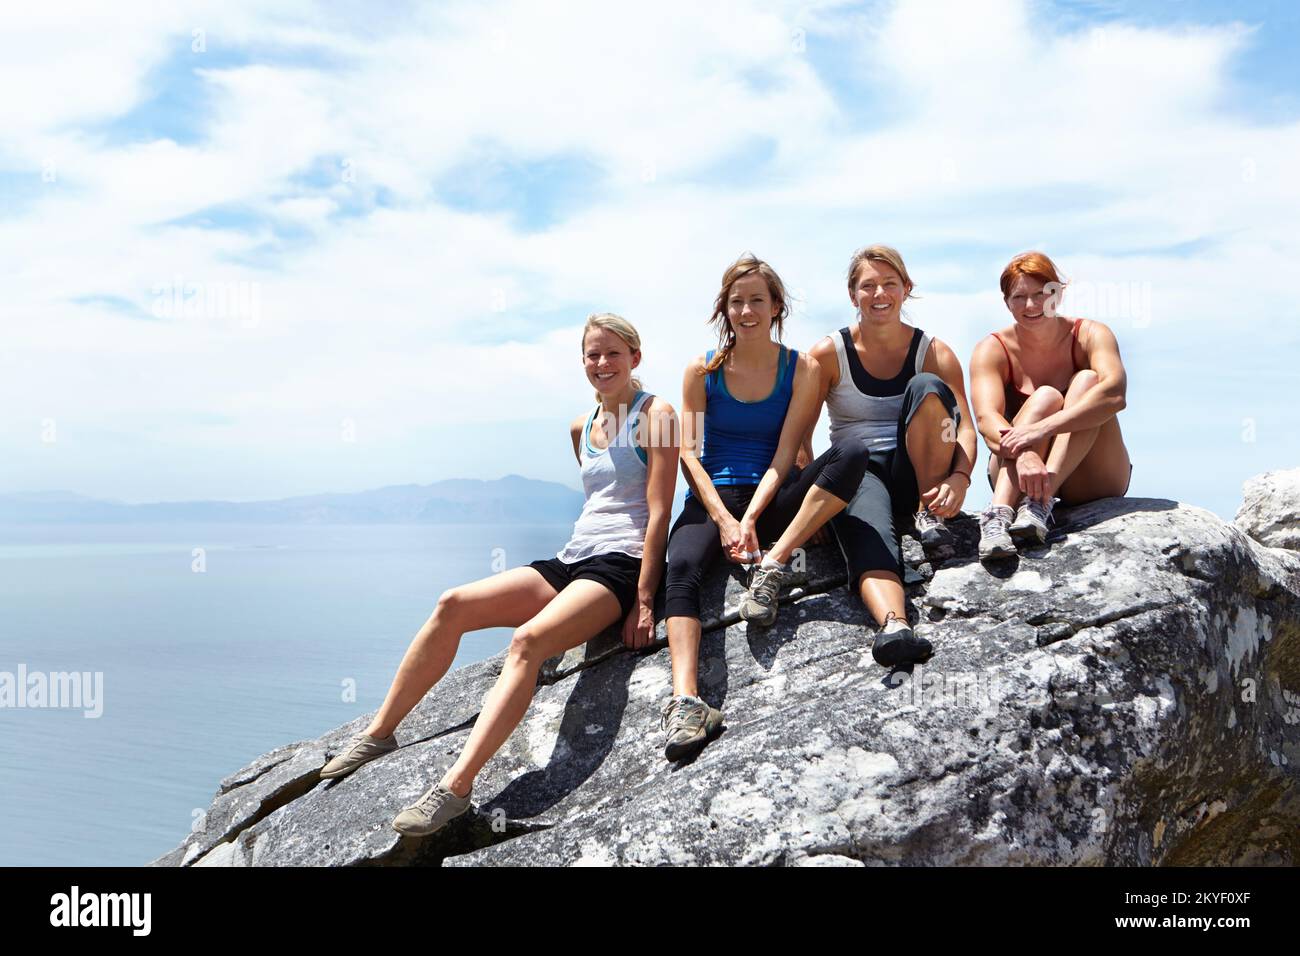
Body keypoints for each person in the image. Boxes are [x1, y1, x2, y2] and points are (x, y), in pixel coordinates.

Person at [318, 313, 678, 838]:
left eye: (613, 354)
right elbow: (597, 501)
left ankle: (455, 790)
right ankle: (379, 733)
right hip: (573, 557)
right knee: (452, 604)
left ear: (635, 359)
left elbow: (659, 510)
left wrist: (644, 600)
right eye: (592, 355)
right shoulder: (582, 427)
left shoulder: (658, 414)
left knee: (528, 641)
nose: (602, 364)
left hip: (622, 565)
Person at [660, 254, 871, 761]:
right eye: (737, 302)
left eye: (758, 300)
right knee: (684, 566)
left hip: (773, 495)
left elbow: (785, 454)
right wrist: (725, 519)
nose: (747, 310)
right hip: (714, 497)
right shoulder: (701, 369)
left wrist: (752, 518)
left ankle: (775, 563)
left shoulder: (803, 368)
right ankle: (686, 701)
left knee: (854, 451)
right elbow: (687, 452)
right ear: (724, 309)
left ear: (776, 306)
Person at [802, 244, 977, 666]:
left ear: (906, 288)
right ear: (852, 295)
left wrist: (960, 478)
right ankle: (894, 625)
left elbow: (965, 428)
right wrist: (816, 508)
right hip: (859, 472)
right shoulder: (828, 354)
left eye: (889, 284)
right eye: (868, 286)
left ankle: (928, 515)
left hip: (920, 474)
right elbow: (799, 440)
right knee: (871, 533)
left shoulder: (933, 351)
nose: (879, 294)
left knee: (927, 388)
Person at [969, 251, 1130, 559]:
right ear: (1006, 302)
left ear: (1058, 292)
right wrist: (1025, 451)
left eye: (1041, 294)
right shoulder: (992, 349)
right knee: (1045, 397)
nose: (1031, 305)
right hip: (1020, 477)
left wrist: (1041, 430)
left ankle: (1040, 505)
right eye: (1019, 297)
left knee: (1087, 381)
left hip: (1091, 475)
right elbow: (986, 420)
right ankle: (998, 516)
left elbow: (1115, 394)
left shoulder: (1091, 334)